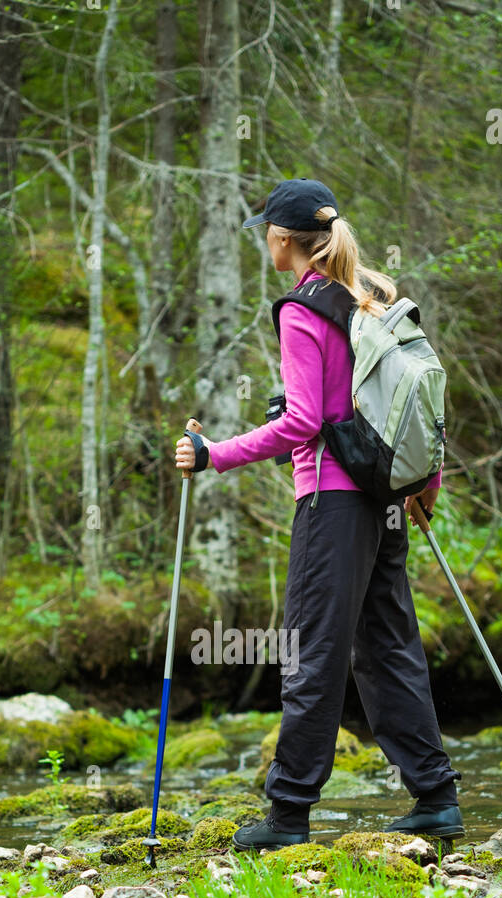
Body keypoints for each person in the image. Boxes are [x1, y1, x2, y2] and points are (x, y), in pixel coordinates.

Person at [175, 177, 461, 849]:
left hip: (333, 503)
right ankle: (436, 797)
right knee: (389, 647)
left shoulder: (302, 310)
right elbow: (411, 398)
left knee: (312, 652)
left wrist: (214, 453)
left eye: (265, 235)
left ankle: (289, 815)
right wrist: (426, 484)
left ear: (281, 240)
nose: (264, 243)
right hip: (386, 496)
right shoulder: (374, 293)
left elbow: (306, 420)